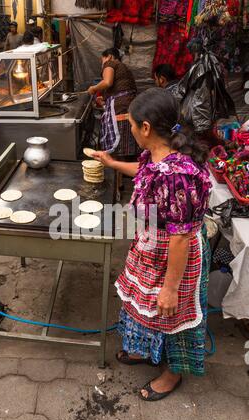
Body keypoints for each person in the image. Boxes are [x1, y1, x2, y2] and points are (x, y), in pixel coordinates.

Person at [92, 88, 212, 401]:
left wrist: (171, 287)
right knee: (149, 306)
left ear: (146, 128)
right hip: (154, 247)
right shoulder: (160, 155)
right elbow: (146, 174)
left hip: (177, 255)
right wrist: (112, 163)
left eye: (131, 125)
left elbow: (181, 236)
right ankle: (148, 351)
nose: (130, 130)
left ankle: (173, 374)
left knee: (173, 312)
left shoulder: (176, 174)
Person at [88, 48, 139, 159]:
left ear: (109, 56)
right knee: (127, 141)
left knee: (119, 145)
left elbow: (107, 82)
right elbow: (118, 88)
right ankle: (125, 170)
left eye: (103, 59)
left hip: (121, 107)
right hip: (130, 105)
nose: (102, 63)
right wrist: (104, 100)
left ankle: (117, 168)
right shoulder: (123, 67)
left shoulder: (110, 63)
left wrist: (93, 88)